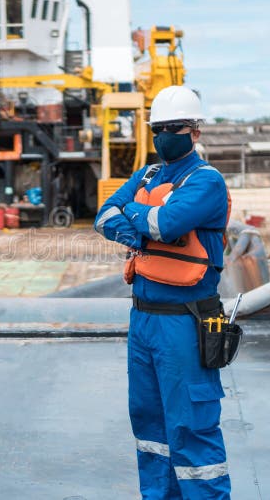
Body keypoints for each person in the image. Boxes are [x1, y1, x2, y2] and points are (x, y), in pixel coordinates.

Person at [94, 86, 232, 499]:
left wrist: (136, 219)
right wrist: (143, 223)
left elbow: (165, 226)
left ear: (195, 131)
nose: (164, 135)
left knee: (191, 424)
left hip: (186, 322)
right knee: (149, 424)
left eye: (174, 127)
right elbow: (103, 216)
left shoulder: (206, 181)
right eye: (158, 128)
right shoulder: (148, 175)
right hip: (144, 320)